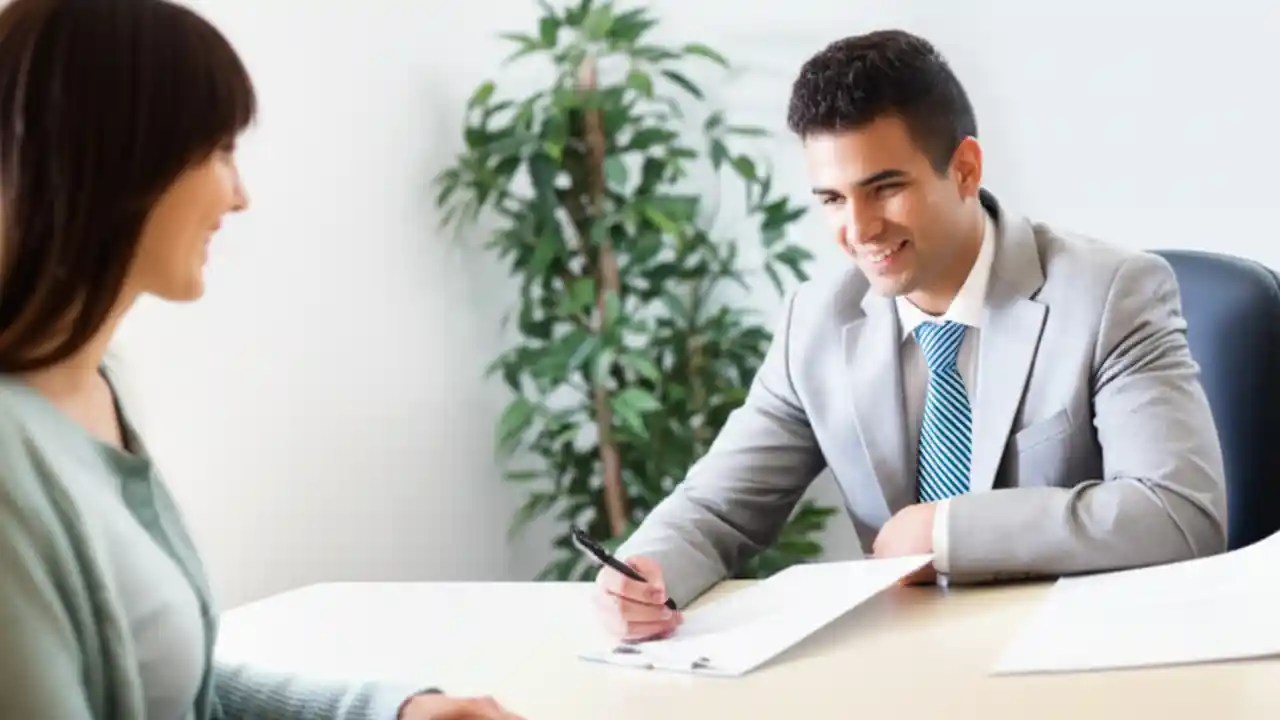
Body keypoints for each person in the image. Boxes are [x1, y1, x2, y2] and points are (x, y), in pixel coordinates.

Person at [593, 29, 1228, 641]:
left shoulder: (1110, 293)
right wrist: (645, 574)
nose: (860, 229)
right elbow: (717, 510)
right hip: (904, 664)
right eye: (833, 200)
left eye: (886, 188)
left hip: (1079, 662)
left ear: (965, 169)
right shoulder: (814, 324)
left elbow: (1178, 512)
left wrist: (947, 533)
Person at [0, 1, 522, 718]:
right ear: (121, 158)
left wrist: (388, 710)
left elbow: (180, 693)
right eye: (219, 151)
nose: (239, 196)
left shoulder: (96, 389)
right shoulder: (9, 463)